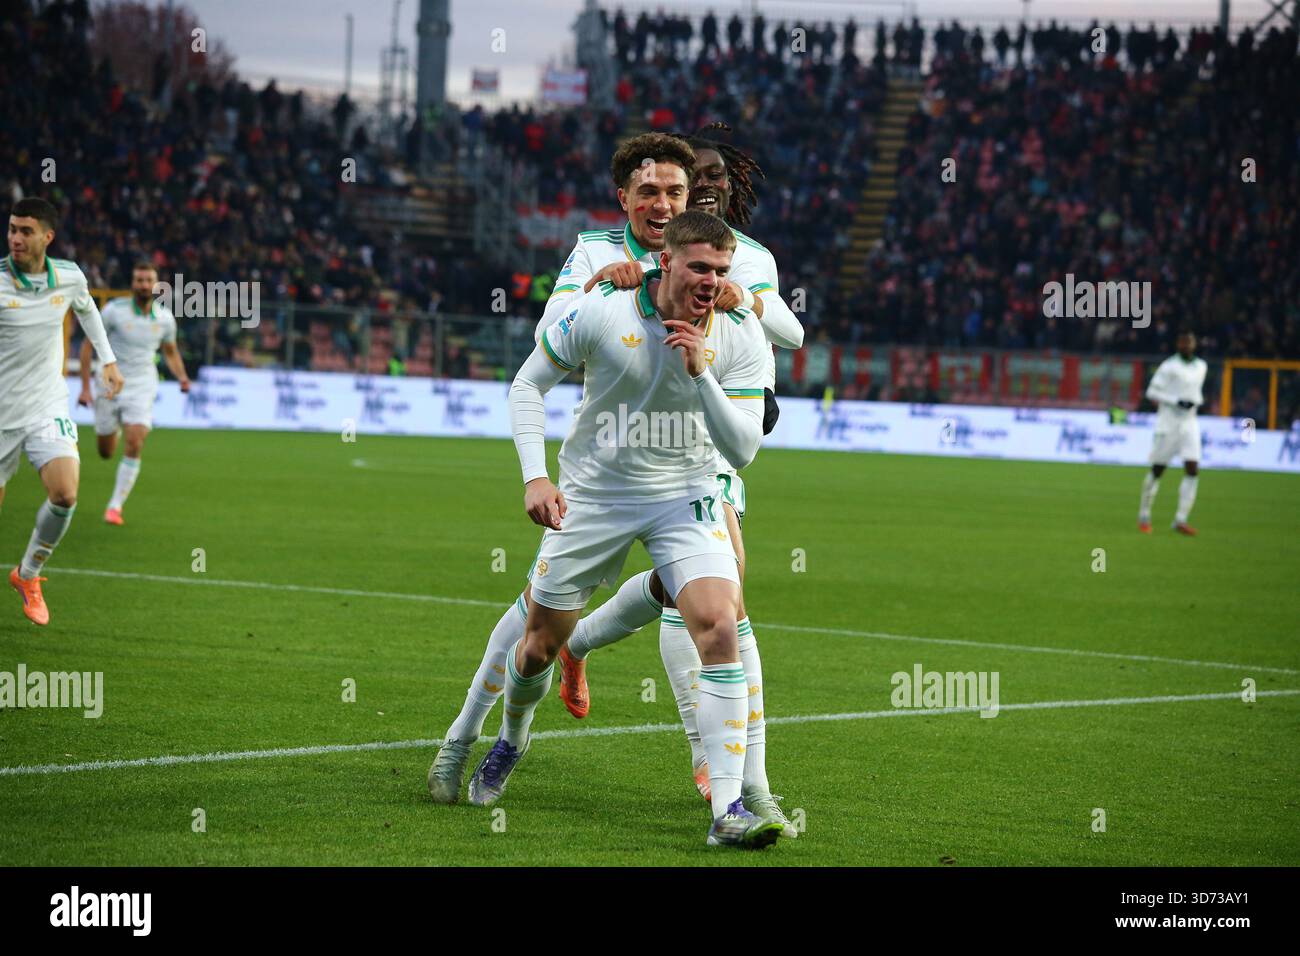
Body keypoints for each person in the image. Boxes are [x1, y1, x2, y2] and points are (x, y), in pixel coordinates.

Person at [468, 211, 780, 847]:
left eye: (721, 271)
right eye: (698, 267)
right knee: (538, 646)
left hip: (686, 494)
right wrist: (535, 477)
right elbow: (529, 385)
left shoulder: (740, 328)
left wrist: (700, 375)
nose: (710, 282)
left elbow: (744, 447)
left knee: (721, 623)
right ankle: (511, 738)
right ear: (665, 260)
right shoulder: (605, 310)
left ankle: (727, 811)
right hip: (596, 494)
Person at [557, 124, 802, 838]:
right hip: (636, 443)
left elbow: (791, 332)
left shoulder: (750, 258)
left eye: (720, 176)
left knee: (697, 597)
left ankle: (583, 649)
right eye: (698, 176)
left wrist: (742, 299)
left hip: (719, 432)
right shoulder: (620, 249)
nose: (709, 185)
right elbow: (566, 326)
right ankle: (732, 775)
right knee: (716, 607)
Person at [2, 198, 122, 625]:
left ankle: (28, 575)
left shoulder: (69, 277)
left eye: (25, 231)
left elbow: (89, 313)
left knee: (66, 493)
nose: (15, 237)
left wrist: (108, 361)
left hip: (45, 404)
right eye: (12, 229)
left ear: (47, 237)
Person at [78, 261, 189, 525]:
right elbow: (87, 347)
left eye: (148, 280)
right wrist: (84, 388)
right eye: (139, 280)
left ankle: (115, 506)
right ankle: (113, 426)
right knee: (106, 451)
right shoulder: (113, 312)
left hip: (142, 384)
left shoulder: (164, 319)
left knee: (136, 440)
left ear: (156, 284)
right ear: (132, 283)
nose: (143, 285)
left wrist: (182, 377)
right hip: (109, 384)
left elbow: (170, 352)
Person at [1138, 331, 1206, 535]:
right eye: (1183, 341)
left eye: (1190, 341)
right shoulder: (1169, 366)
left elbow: (1196, 392)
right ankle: (1144, 514)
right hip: (1168, 424)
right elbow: (1152, 392)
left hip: (1190, 423)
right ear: (1178, 344)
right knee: (1158, 470)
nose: (1186, 345)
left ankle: (1180, 519)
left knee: (1193, 469)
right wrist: (1176, 401)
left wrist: (1196, 401)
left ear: (1194, 344)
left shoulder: (1201, 366)